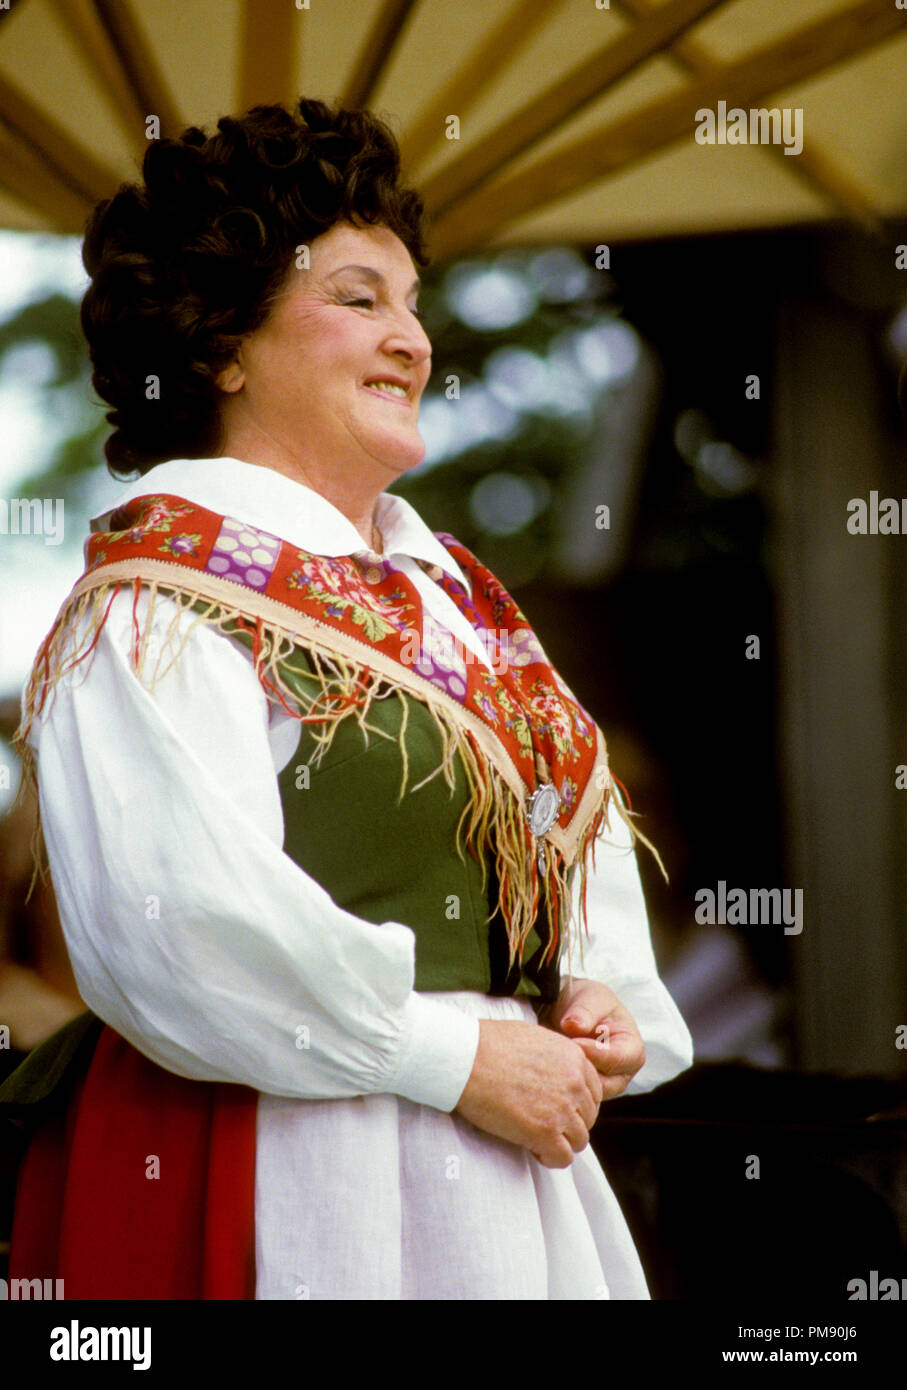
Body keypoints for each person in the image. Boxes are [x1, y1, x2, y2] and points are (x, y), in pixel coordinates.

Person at [3, 98, 692, 1300]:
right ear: (222, 340)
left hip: (503, 1160)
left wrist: (585, 993)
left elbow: (548, 860)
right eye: (361, 297)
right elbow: (184, 929)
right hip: (288, 1162)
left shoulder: (451, 598)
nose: (414, 340)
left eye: (414, 303)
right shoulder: (158, 604)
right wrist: (449, 1054)